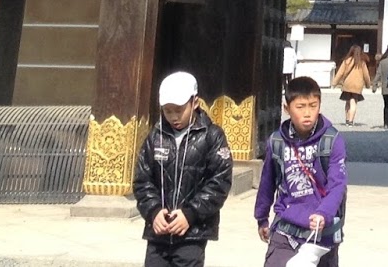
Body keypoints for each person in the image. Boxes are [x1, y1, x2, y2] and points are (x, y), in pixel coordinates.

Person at [133, 70, 235, 266]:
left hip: (192, 233)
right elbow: (142, 180)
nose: (174, 117)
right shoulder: (155, 136)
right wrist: (154, 211)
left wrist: (191, 213)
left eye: (179, 110)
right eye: (167, 111)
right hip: (158, 233)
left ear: (194, 102)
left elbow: (220, 181)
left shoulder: (212, 136)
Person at [255, 75, 348, 267]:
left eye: (313, 106)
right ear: (287, 108)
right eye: (300, 107)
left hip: (322, 232)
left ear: (320, 106)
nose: (307, 113)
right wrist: (262, 217)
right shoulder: (277, 142)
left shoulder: (332, 141)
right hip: (285, 228)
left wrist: (324, 213)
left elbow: (337, 184)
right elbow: (267, 182)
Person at [332, 45, 370, 127]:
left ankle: (347, 119)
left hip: (347, 84)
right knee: (353, 102)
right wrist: (368, 84)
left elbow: (340, 73)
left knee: (347, 102)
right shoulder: (362, 63)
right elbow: (366, 75)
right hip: (357, 85)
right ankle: (350, 121)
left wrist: (334, 83)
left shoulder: (346, 61)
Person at [373, 45, 388, 130]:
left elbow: (378, 74)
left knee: (386, 106)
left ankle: (385, 123)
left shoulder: (382, 62)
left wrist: (374, 85)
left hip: (385, 87)